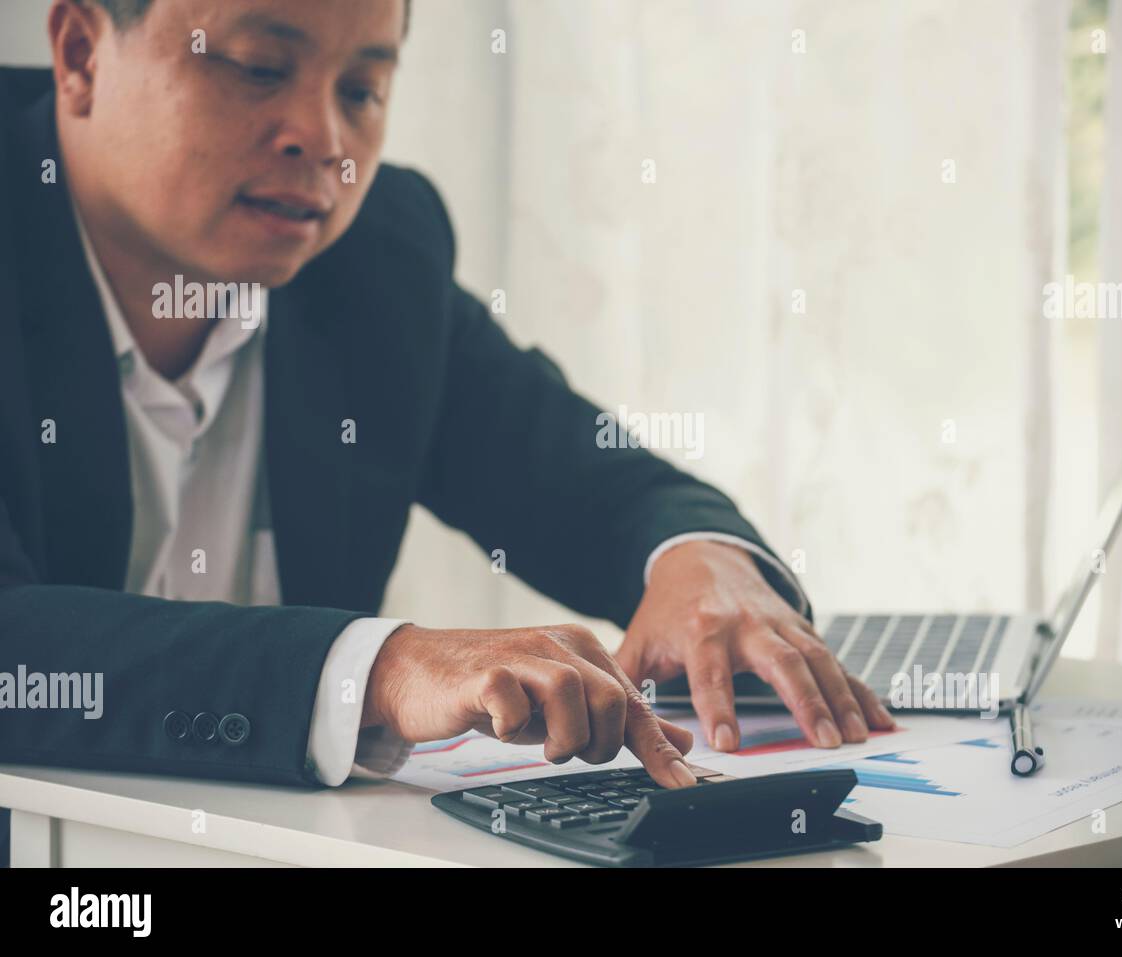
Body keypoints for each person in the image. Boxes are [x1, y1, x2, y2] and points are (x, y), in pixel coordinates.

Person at [0, 0, 893, 821]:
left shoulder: (377, 255)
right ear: (80, 54)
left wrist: (698, 559)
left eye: (363, 89)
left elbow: (580, 477)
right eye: (258, 67)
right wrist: (378, 666)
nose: (323, 138)